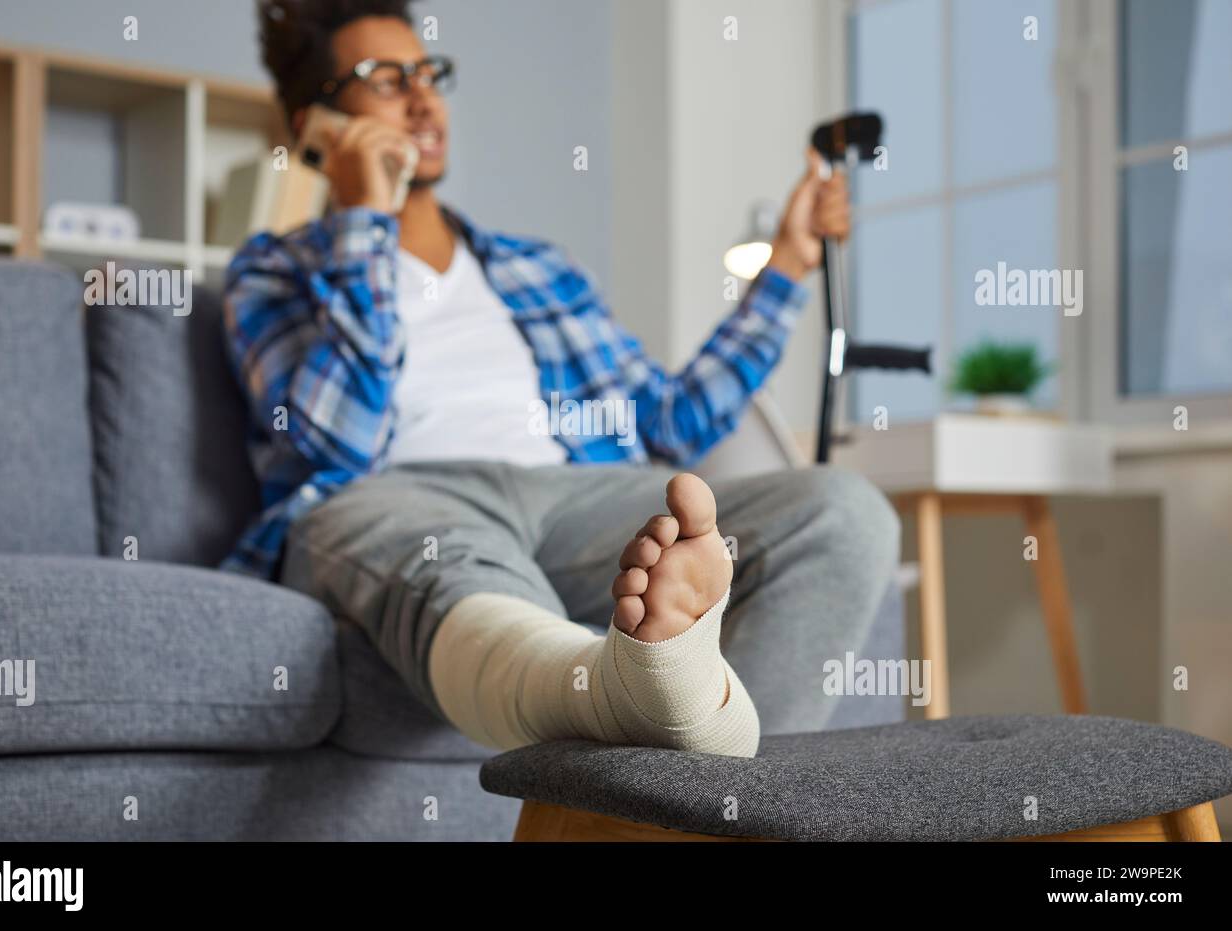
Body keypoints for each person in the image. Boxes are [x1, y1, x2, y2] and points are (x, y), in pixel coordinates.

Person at [225, 0, 899, 757]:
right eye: (385, 81)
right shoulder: (274, 269)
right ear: (313, 126)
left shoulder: (535, 267)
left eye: (428, 73)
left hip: (576, 496)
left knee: (843, 512)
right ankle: (627, 694)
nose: (422, 99)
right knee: (439, 552)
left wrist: (790, 259)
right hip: (399, 497)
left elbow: (671, 421)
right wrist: (360, 220)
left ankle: (734, 812)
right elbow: (332, 444)